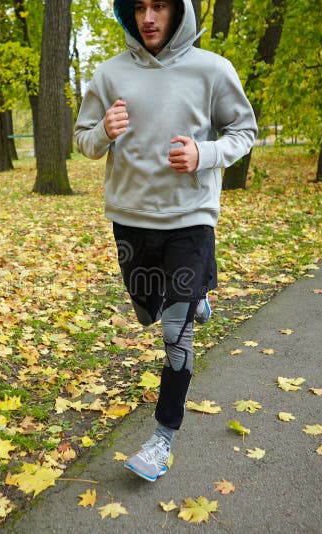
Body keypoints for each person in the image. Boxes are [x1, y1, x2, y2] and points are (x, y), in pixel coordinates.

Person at [74, 0, 257, 482]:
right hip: (130, 218)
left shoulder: (212, 70)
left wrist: (206, 152)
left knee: (175, 333)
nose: (148, 17)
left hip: (190, 217)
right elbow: (83, 139)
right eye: (139, 7)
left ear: (178, 11)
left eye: (159, 6)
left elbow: (244, 131)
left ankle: (162, 439)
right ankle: (194, 295)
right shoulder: (110, 73)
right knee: (147, 309)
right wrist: (103, 133)